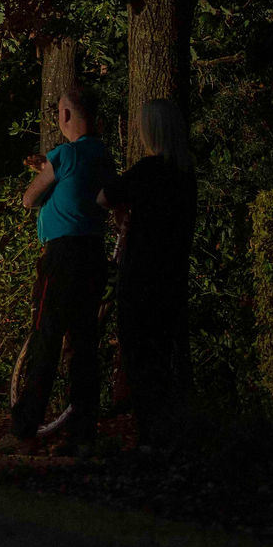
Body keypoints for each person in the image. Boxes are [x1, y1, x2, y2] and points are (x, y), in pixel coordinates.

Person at [8, 85, 114, 456]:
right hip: (93, 254)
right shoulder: (101, 154)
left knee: (46, 336)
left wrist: (48, 172)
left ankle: (24, 430)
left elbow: (29, 197)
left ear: (66, 115)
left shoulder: (65, 154)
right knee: (83, 343)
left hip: (63, 254)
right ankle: (83, 432)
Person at [98, 99, 197, 449]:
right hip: (172, 278)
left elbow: (104, 197)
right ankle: (168, 433)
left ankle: (149, 434)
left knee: (138, 353)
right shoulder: (186, 176)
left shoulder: (147, 170)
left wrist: (123, 213)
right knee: (162, 354)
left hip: (140, 276)